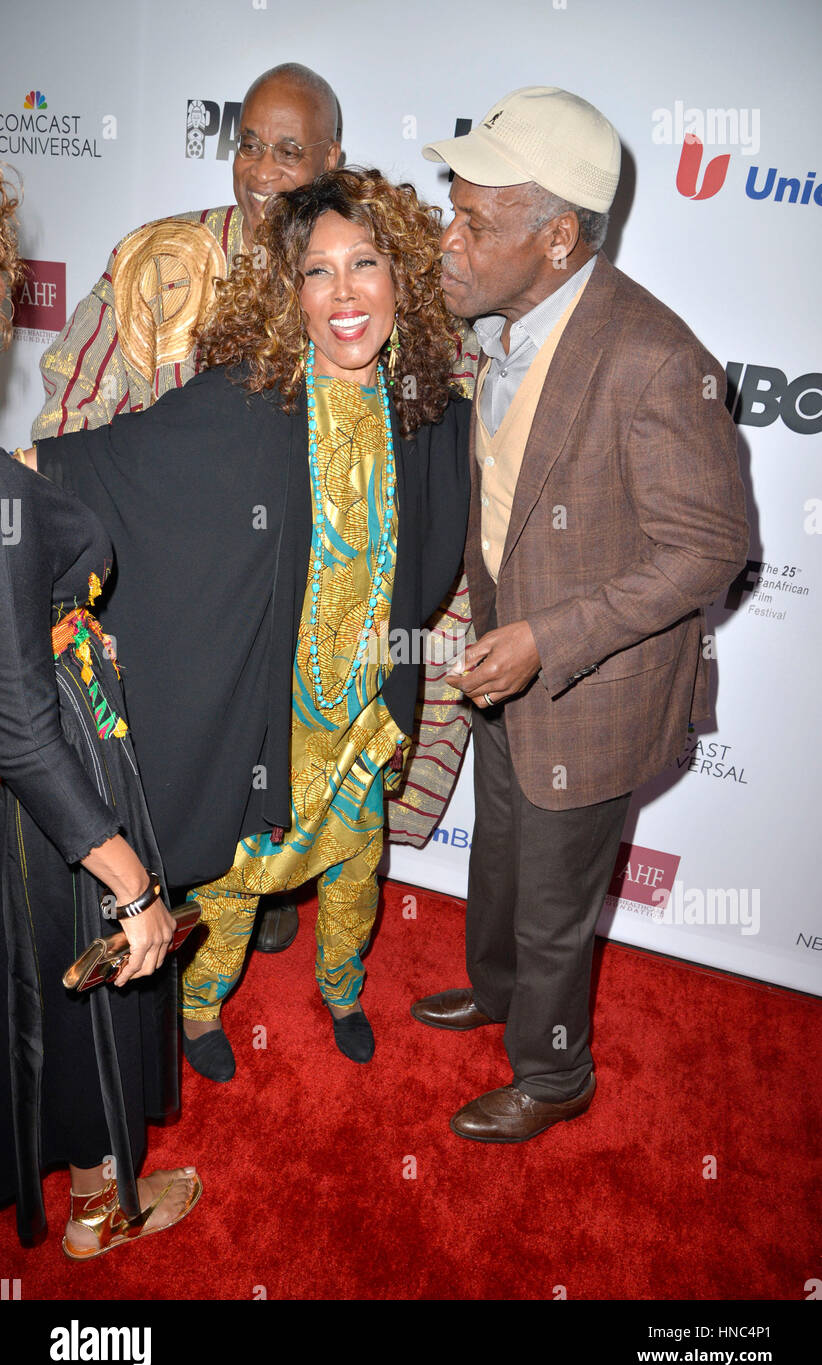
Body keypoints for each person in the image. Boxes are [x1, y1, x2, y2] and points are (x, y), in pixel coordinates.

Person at [26, 168, 471, 1078]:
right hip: (273, 717)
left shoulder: (425, 409)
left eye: (366, 263)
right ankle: (198, 1015)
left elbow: (430, 558)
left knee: (356, 873)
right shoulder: (252, 400)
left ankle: (342, 992)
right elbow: (106, 467)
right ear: (289, 293)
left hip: (362, 713)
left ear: (403, 278)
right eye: (317, 273)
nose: (345, 294)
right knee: (232, 892)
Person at [411, 87, 750, 1142]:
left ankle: (555, 1077)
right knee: (501, 853)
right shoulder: (506, 321)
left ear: (559, 238)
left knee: (559, 903)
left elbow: (712, 546)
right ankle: (501, 992)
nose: (447, 244)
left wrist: (547, 639)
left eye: (474, 224)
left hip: (592, 682)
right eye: (448, 213)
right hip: (508, 662)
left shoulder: (655, 359)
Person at [0, 168, 202, 1256]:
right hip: (36, 824)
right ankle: (96, 1206)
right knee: (66, 1007)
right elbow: (19, 726)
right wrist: (134, 891)